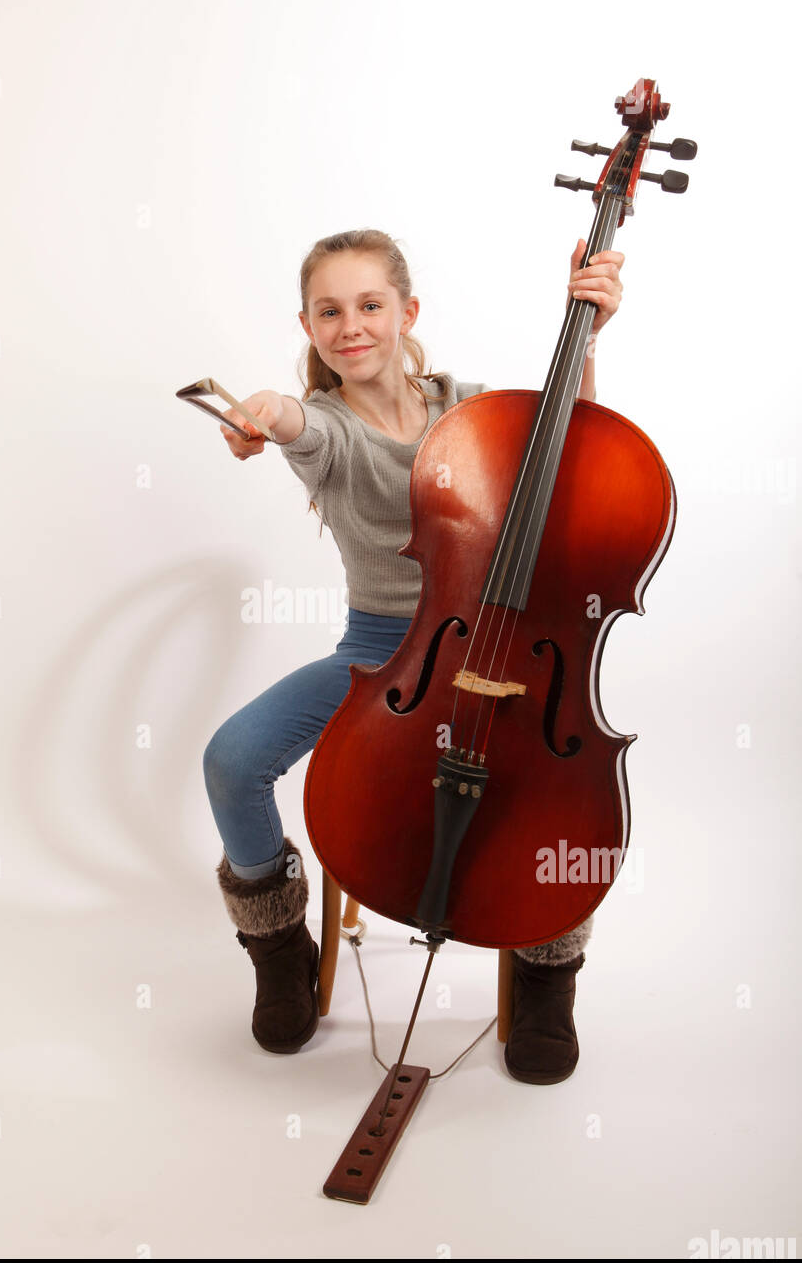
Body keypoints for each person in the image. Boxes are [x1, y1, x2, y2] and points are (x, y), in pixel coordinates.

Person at [202, 227, 624, 1082]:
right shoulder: (326, 428)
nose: (350, 325)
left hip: (500, 646)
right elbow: (292, 423)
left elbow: (566, 443)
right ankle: (280, 950)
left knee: (549, 789)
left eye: (369, 305)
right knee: (233, 760)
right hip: (382, 659)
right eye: (329, 311)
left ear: (406, 312)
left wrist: (586, 334)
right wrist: (260, 411)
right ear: (308, 326)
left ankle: (549, 974)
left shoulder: (469, 409)